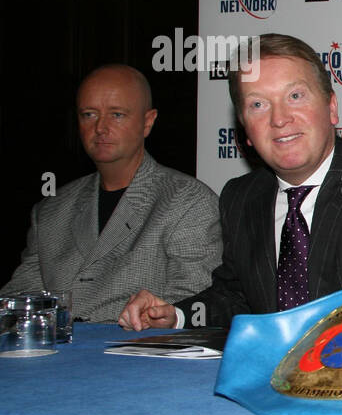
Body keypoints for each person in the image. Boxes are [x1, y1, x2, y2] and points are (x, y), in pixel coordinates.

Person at [118, 34, 342, 330]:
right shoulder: (241, 197)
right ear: (245, 129)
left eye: (296, 96)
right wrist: (177, 315)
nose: (279, 119)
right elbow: (238, 297)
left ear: (331, 107)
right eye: (258, 104)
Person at [2, 64, 221, 323]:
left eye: (117, 115)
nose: (101, 128)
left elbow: (191, 302)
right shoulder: (51, 209)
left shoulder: (187, 200)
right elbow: (18, 299)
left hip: (136, 355)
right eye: (89, 114)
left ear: (147, 122)